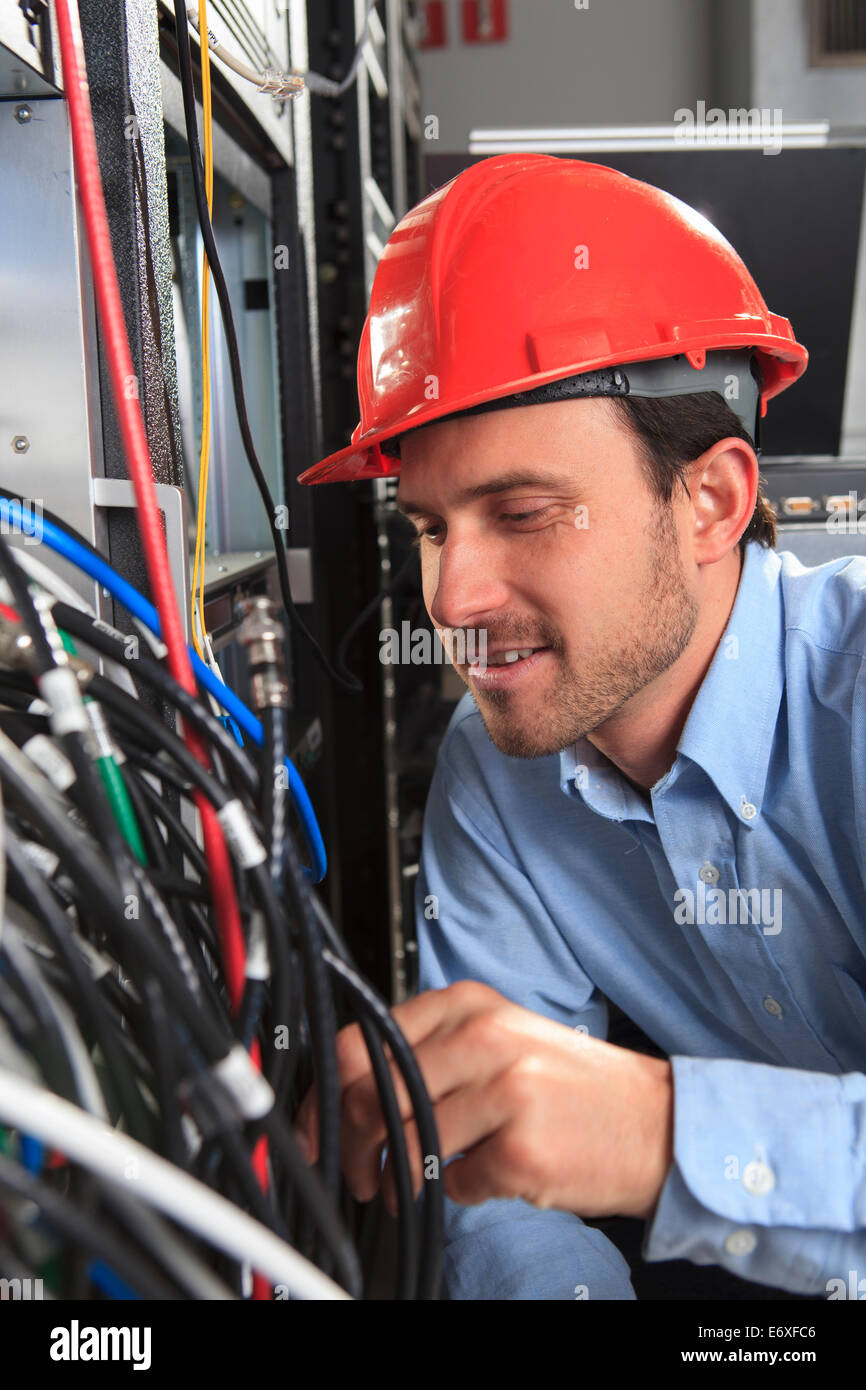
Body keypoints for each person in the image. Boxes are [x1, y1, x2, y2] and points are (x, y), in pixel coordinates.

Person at [295, 154, 866, 1300]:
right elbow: (496, 1188)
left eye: (521, 513)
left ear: (709, 500)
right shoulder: (497, 770)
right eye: (428, 526)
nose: (450, 599)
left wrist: (657, 1135)